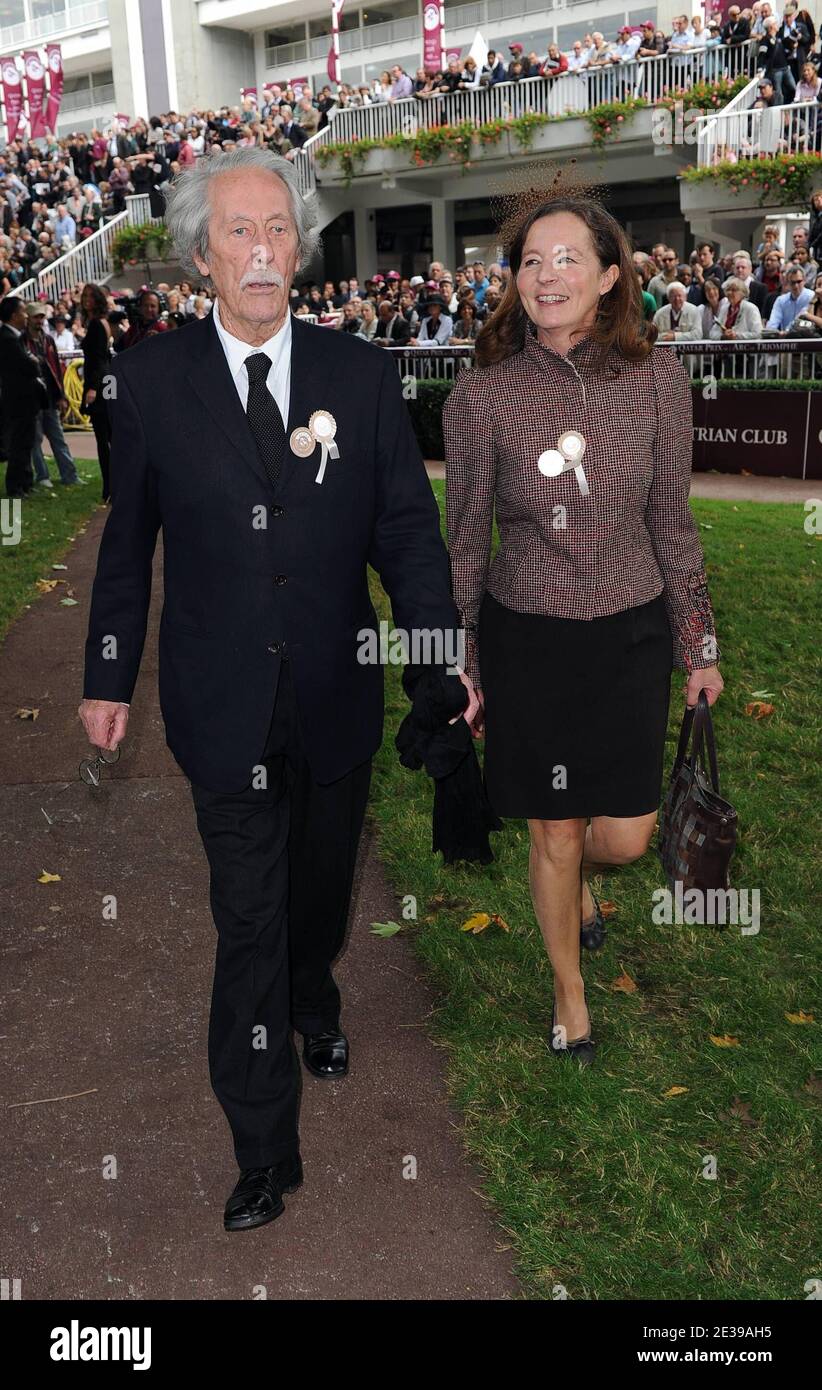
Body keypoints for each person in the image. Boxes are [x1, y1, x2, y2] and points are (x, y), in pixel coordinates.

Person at [78, 147, 477, 1234]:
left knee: (314, 893)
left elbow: (405, 530)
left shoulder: (361, 375)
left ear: (301, 247)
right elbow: (129, 547)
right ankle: (262, 1144)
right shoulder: (154, 382)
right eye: (239, 233)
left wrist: (437, 655)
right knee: (246, 916)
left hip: (337, 692)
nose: (262, 252)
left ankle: (317, 992)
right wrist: (107, 672)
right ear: (202, 253)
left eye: (279, 231)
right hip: (220, 701)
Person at [443, 194, 723, 1066]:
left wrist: (698, 646)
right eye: (531, 261)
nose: (546, 275)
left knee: (624, 836)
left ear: (609, 276)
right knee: (554, 827)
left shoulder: (656, 382)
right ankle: (570, 996)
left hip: (631, 632)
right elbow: (464, 543)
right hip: (528, 635)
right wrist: (465, 662)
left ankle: (584, 892)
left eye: (567, 259)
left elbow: (672, 525)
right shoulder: (482, 394)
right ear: (515, 281)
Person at [25, 302, 81, 487]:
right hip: (33, 398)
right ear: (28, 318)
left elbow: (56, 367)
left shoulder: (48, 340)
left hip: (50, 396)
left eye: (42, 317)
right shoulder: (22, 340)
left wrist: (62, 395)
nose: (40, 320)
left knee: (58, 438)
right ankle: (42, 476)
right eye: (36, 317)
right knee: (36, 440)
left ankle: (70, 476)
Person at [0, 295, 46, 498]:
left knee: (27, 442)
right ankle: (15, 486)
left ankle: (25, 482)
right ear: (13, 315)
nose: (26, 316)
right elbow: (28, 365)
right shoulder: (7, 339)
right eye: (22, 312)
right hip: (19, 400)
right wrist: (34, 362)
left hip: (25, 399)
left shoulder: (14, 337)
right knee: (19, 444)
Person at [80, 281, 113, 501]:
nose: (86, 301)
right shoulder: (99, 322)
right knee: (109, 438)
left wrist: (92, 388)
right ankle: (112, 487)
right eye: (84, 297)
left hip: (100, 385)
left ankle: (110, 489)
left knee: (105, 439)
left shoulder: (97, 324)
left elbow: (100, 359)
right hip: (106, 382)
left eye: (90, 297)